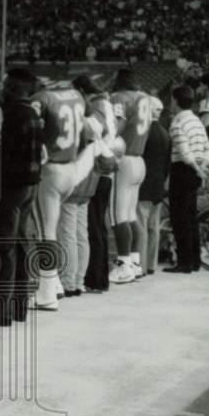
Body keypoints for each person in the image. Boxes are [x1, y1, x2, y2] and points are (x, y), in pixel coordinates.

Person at [0, 68, 44, 344]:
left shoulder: (12, 114)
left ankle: (1, 311)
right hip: (29, 184)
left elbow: (0, 154)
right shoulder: (32, 113)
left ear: (17, 88)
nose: (3, 89)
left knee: (3, 246)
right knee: (20, 244)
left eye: (8, 85)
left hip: (10, 186)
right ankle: (19, 306)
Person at [28, 80, 87, 310]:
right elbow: (84, 137)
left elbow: (33, 132)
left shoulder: (42, 99)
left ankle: (46, 294)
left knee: (46, 232)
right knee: (51, 229)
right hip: (70, 168)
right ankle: (54, 283)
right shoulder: (76, 96)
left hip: (52, 169)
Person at [73, 75, 117, 293]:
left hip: (96, 169)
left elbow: (98, 134)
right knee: (96, 225)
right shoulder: (105, 104)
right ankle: (98, 277)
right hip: (104, 167)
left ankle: (95, 277)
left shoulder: (95, 107)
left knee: (92, 226)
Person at [108, 69, 152, 283]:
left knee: (118, 216)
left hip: (123, 159)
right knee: (130, 214)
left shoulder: (119, 97)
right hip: (139, 159)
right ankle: (134, 262)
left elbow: (117, 127)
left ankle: (123, 263)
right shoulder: (145, 98)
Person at [165, 85, 209, 273]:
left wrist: (197, 168)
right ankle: (194, 260)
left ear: (176, 101)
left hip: (182, 170)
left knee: (179, 218)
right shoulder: (197, 121)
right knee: (191, 217)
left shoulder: (177, 123)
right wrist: (202, 167)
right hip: (195, 171)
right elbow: (208, 148)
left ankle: (184, 262)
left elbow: (184, 153)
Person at [136, 96, 169, 276]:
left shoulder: (144, 133)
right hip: (158, 185)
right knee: (153, 226)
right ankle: (151, 264)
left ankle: (140, 265)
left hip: (144, 184)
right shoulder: (165, 133)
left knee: (141, 225)